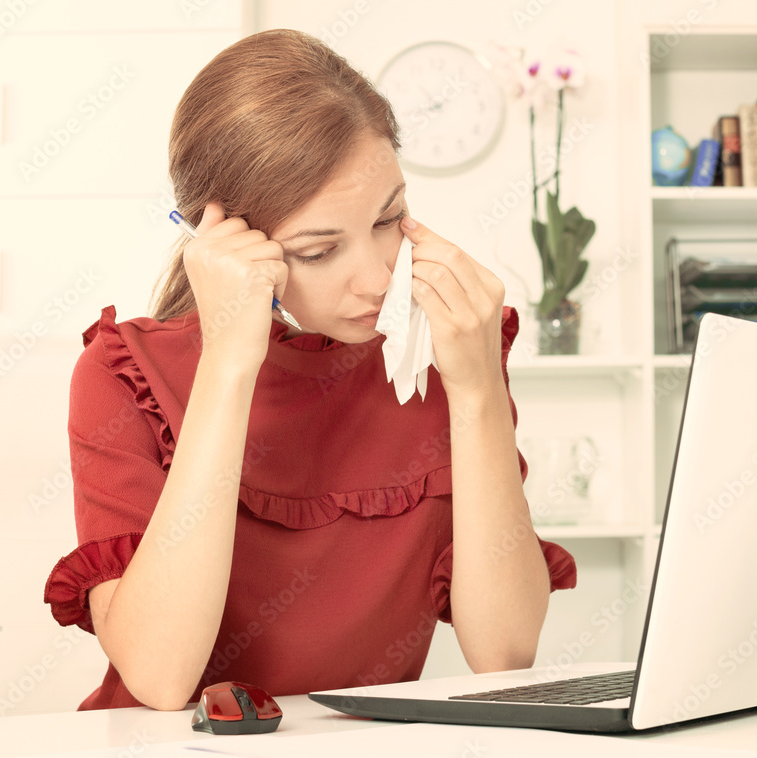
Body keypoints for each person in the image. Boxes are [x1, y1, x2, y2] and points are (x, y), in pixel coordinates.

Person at [43, 28, 577, 711]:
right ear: (222, 248)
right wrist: (231, 365)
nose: (380, 278)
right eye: (319, 251)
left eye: (390, 219)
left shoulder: (448, 351)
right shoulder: (124, 373)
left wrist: (475, 391)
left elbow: (504, 653)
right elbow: (161, 677)